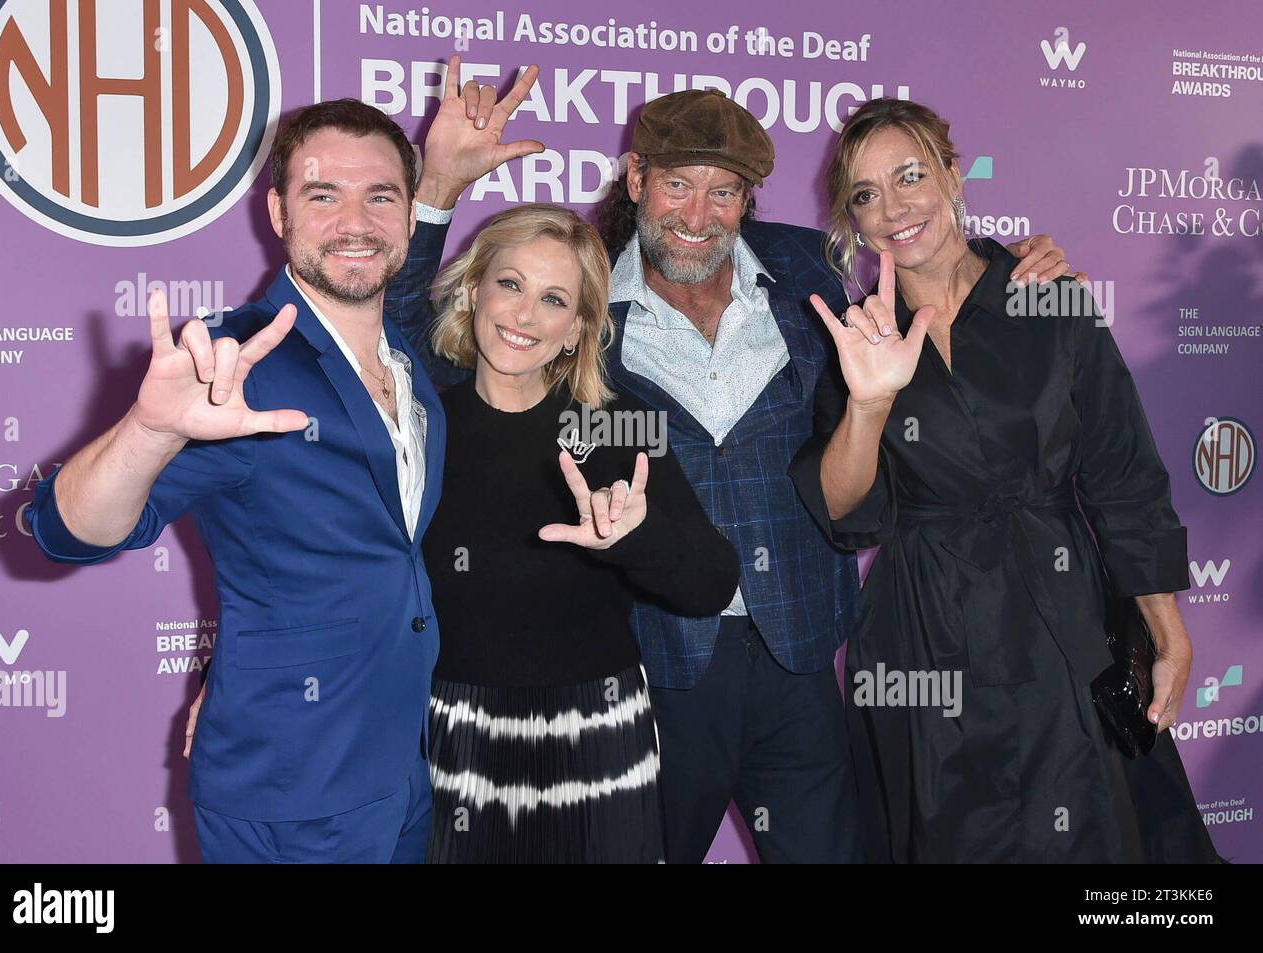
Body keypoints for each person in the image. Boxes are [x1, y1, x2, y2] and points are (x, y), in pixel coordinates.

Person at [385, 60, 1078, 862]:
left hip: (802, 659)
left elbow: (919, 264)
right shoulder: (572, 295)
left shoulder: (807, 271)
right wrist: (436, 186)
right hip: (655, 671)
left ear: (749, 200)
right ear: (636, 177)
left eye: (724, 191)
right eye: (678, 184)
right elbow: (405, 339)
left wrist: (1017, 270)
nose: (698, 214)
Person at [789, 96, 1219, 862]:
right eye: (865, 194)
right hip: (925, 632)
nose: (893, 208)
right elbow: (843, 510)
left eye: (911, 176)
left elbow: (1124, 476)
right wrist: (869, 402)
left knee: (1093, 828)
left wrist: (1168, 628)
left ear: (954, 176)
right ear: (851, 221)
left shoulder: (1048, 294)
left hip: (1063, 612)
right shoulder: (860, 336)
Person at [27, 99, 446, 863]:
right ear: (279, 210)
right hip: (293, 790)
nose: (356, 218)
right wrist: (149, 431)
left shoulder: (405, 361)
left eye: (380, 195)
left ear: (410, 215)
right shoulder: (234, 365)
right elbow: (66, 531)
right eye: (324, 194)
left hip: (402, 768)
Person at [418, 204, 739, 863]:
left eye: (554, 299)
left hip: (598, 737)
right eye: (510, 284)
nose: (524, 315)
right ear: (474, 288)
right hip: (457, 741)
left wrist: (635, 536)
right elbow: (344, 578)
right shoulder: (420, 428)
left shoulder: (616, 425)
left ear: (577, 329)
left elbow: (712, 581)